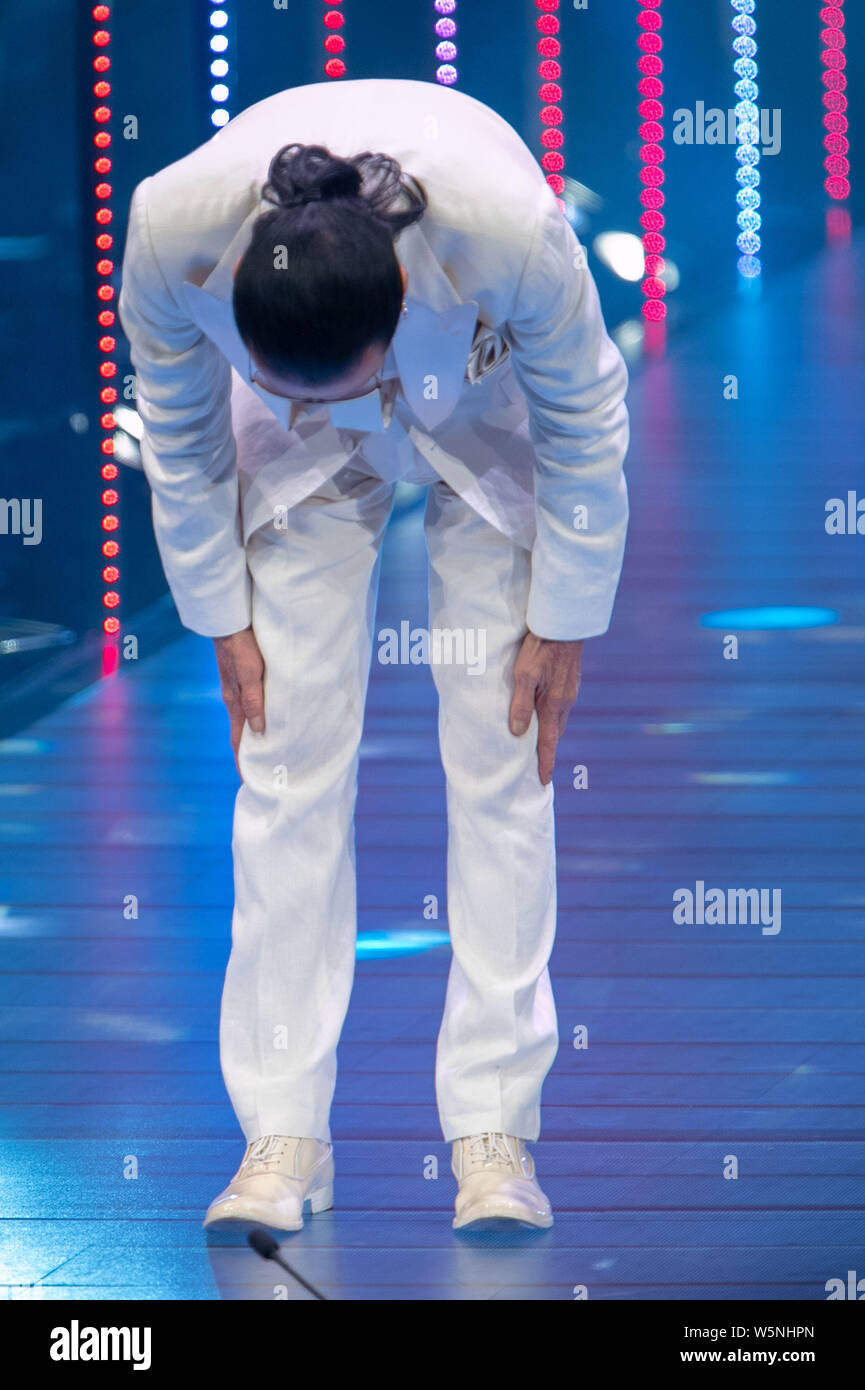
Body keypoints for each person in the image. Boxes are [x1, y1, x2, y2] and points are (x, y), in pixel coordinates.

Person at [118, 77, 629, 1235]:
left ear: (399, 308)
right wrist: (218, 614)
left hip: (484, 418)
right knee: (283, 765)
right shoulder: (168, 226)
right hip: (286, 449)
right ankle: (280, 1136)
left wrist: (564, 615)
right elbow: (183, 421)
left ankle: (494, 1131)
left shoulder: (508, 228)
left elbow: (588, 412)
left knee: (507, 759)